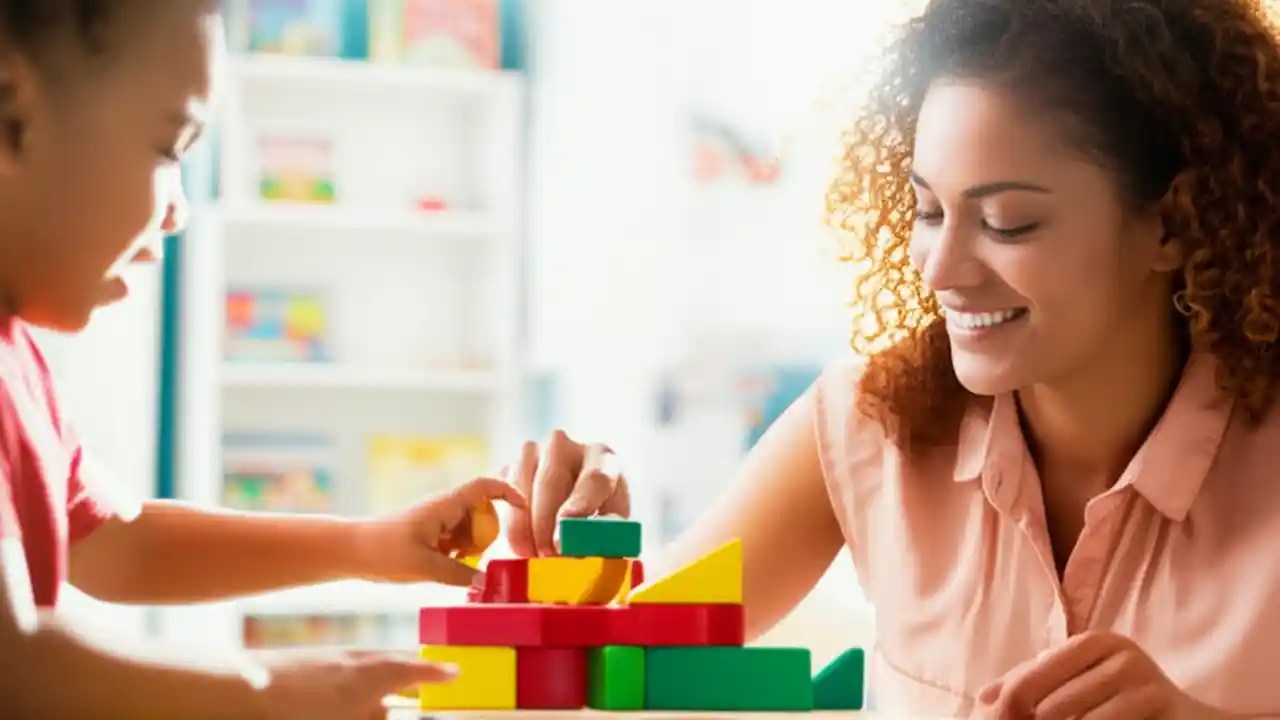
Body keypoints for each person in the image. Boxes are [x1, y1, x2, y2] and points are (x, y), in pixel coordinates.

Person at [505, 0, 1280, 717]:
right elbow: (613, 655)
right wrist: (582, 545)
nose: (940, 268)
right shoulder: (872, 423)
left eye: (1008, 222)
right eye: (929, 210)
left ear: (1173, 225)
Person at [0, 2, 525, 717]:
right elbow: (16, 664)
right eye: (167, 147)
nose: (179, 209)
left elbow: (118, 545)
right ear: (11, 108)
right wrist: (265, 696)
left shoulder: (17, 360)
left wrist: (367, 545)